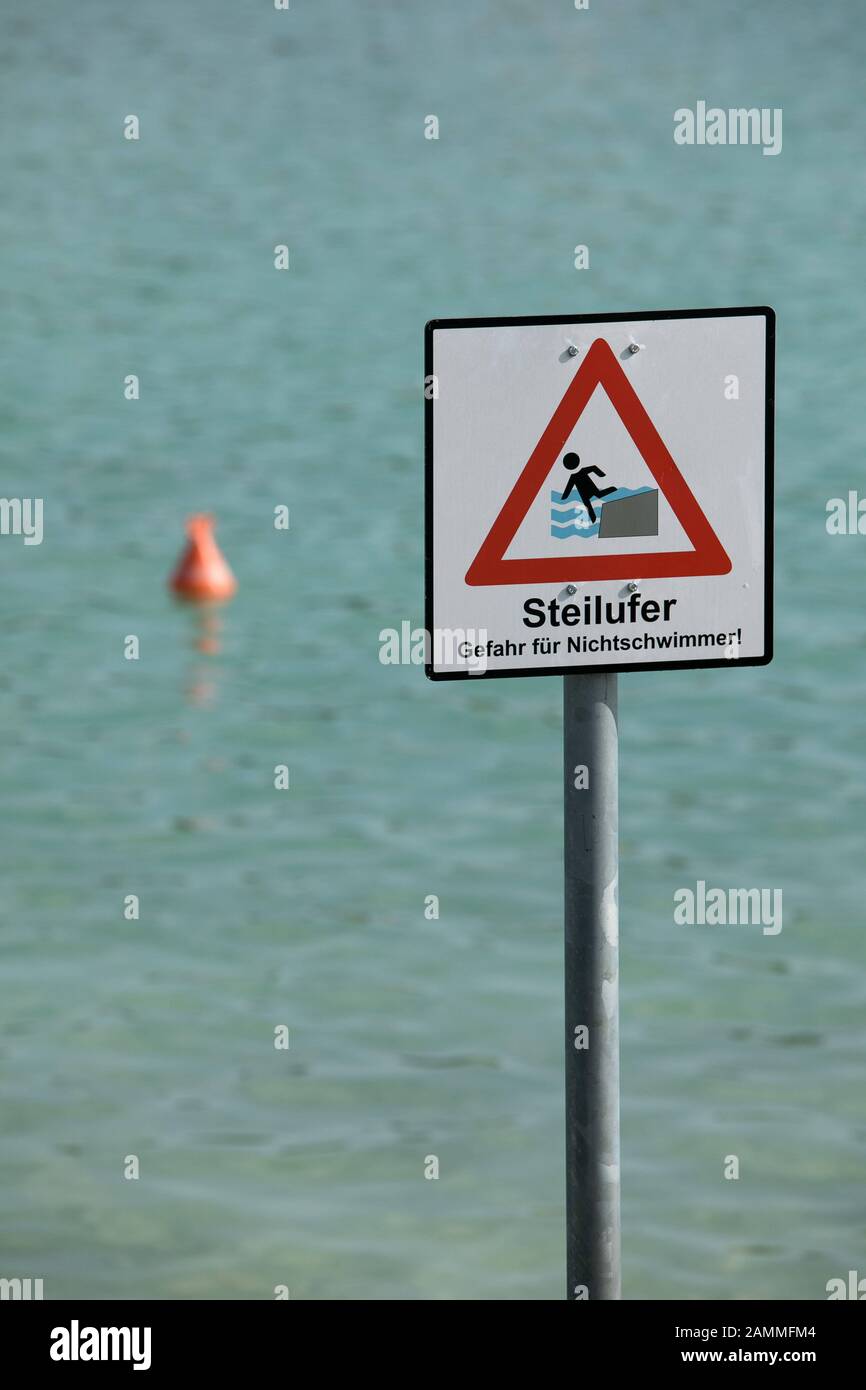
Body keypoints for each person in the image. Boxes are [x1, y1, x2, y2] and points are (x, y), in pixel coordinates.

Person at [560, 453, 617, 524]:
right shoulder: (576, 475)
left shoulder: (575, 475)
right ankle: (593, 520)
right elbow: (594, 468)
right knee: (591, 503)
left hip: (587, 490)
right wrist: (601, 474)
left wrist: (564, 497)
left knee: (593, 500)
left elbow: (593, 467)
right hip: (586, 492)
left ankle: (613, 489)